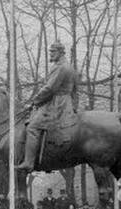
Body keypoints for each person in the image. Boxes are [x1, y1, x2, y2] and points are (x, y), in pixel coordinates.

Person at [18, 39, 78, 175]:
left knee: (33, 127)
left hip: (56, 104)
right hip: (67, 103)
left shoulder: (60, 67)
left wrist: (35, 101)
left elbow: (50, 88)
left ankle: (28, 162)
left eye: (53, 52)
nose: (50, 54)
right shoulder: (71, 68)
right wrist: (74, 107)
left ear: (61, 53)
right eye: (50, 51)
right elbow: (75, 91)